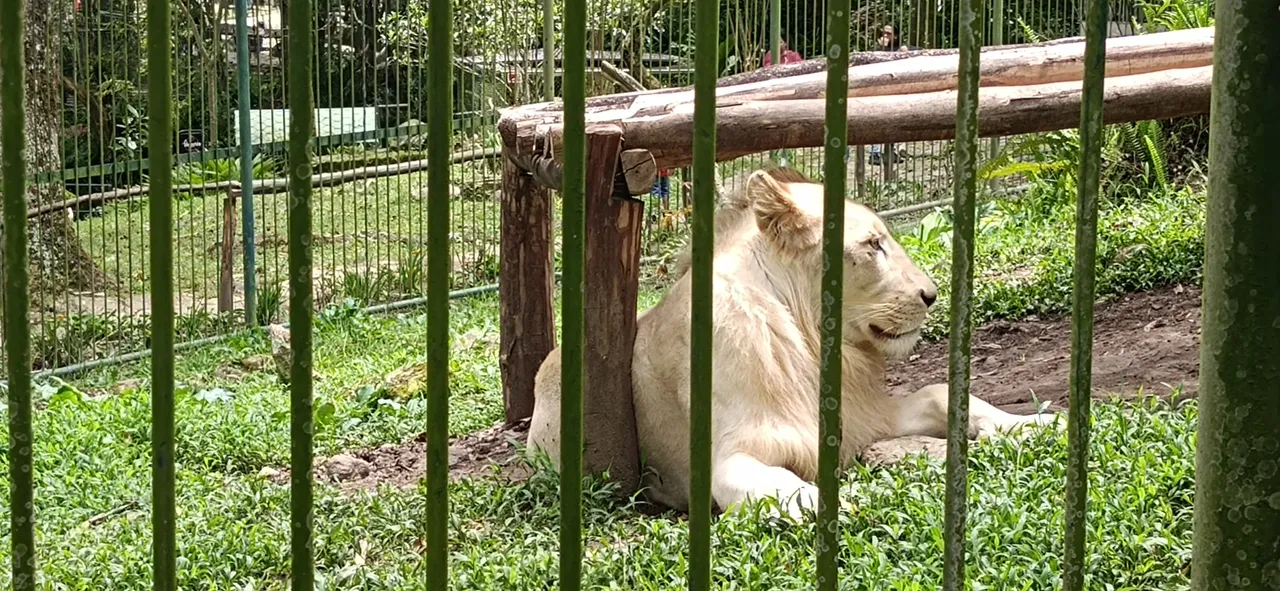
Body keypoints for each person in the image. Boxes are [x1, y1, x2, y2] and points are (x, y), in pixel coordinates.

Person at [870, 25, 910, 166]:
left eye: (888, 34)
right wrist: (881, 50)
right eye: (883, 33)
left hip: (895, 91)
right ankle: (875, 153)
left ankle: (890, 152)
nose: (885, 36)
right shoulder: (878, 50)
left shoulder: (902, 50)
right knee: (876, 121)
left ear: (896, 36)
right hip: (879, 91)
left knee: (893, 121)